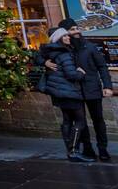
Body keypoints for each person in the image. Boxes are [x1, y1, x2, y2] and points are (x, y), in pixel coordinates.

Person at [60, 17, 114, 161]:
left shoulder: (89, 47)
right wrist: (45, 62)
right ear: (65, 33)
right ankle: (87, 148)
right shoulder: (64, 50)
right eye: (72, 30)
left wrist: (107, 85)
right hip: (75, 91)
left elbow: (102, 66)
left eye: (77, 28)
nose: (76, 31)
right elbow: (44, 53)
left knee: (98, 120)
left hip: (93, 89)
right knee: (80, 122)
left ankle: (103, 149)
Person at [40, 27, 96, 162]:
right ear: (58, 39)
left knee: (67, 120)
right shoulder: (64, 54)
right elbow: (71, 74)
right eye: (64, 36)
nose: (67, 38)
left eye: (67, 36)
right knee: (80, 121)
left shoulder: (52, 52)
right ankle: (73, 151)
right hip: (69, 92)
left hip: (60, 92)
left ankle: (69, 150)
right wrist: (81, 73)